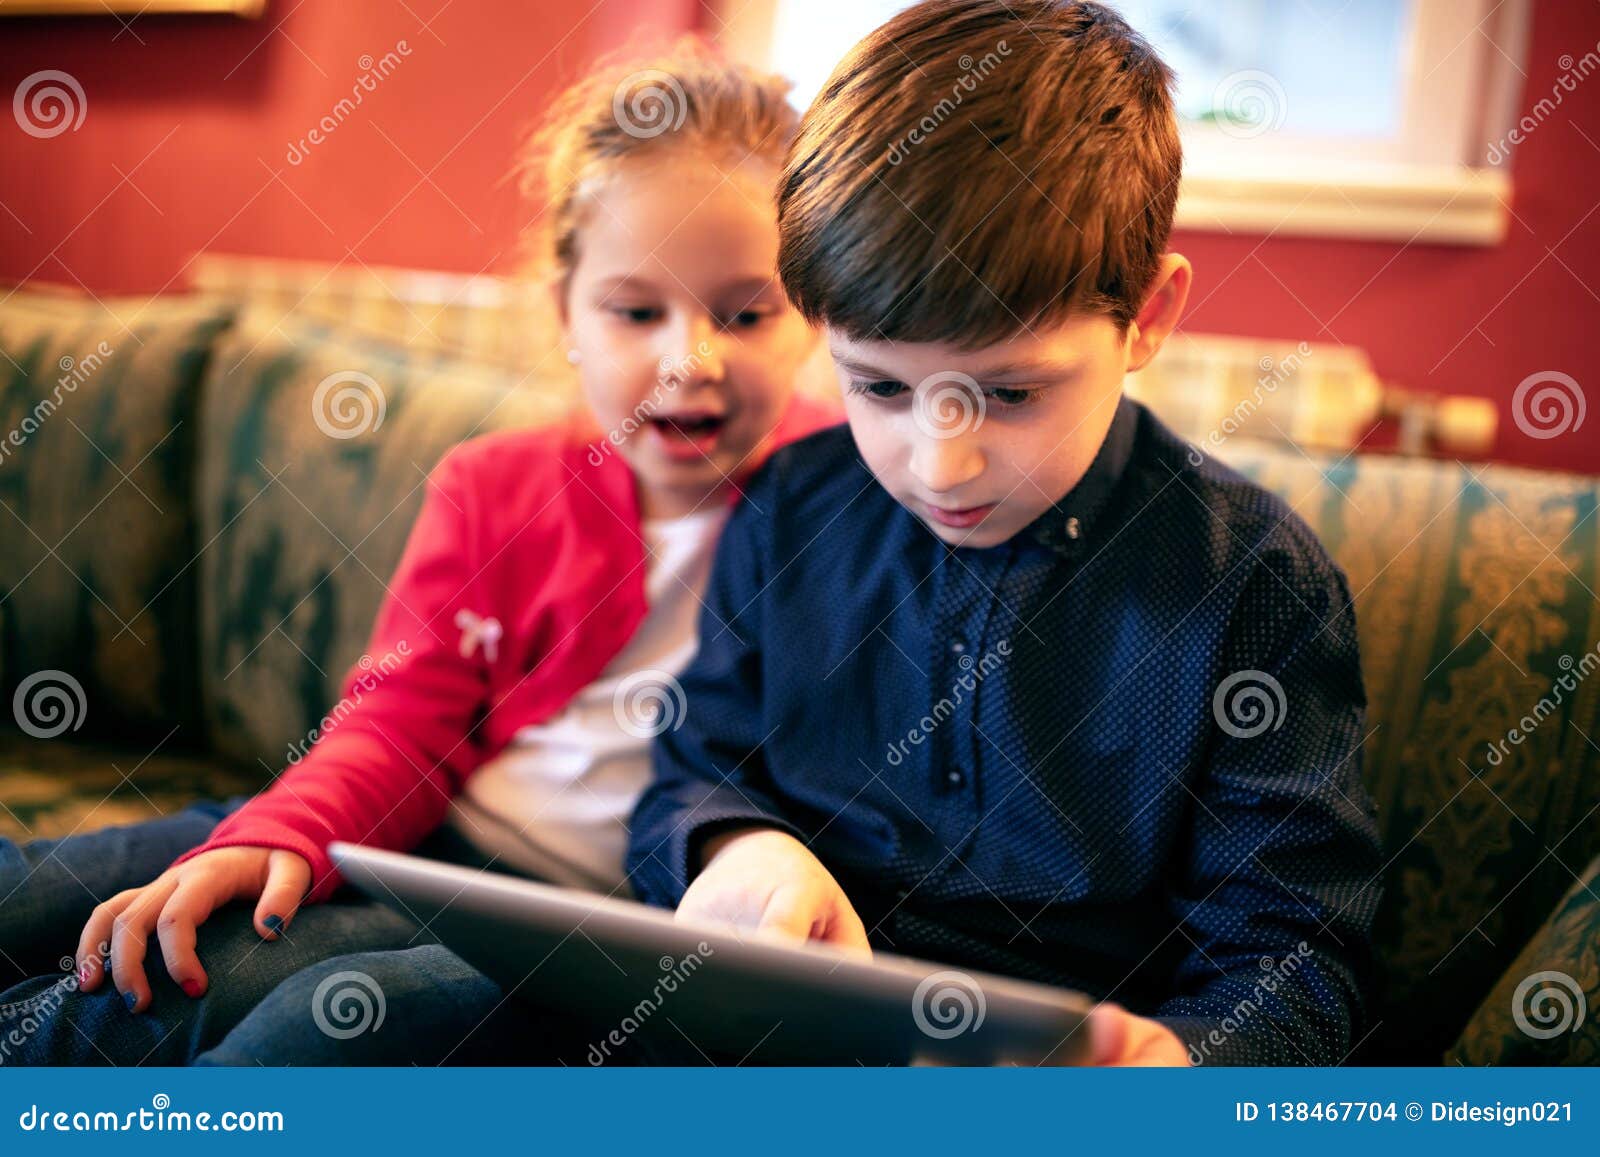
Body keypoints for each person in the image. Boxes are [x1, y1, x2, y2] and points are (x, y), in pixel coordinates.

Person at [0, 42, 834, 1065]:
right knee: (42, 890)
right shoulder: (497, 484)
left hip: (569, 929)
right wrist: (285, 828)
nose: (688, 358)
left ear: (814, 318)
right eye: (636, 310)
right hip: (403, 833)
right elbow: (400, 714)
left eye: (746, 313)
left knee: (181, 987)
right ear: (565, 312)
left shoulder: (848, 507)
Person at [624, 0, 1384, 1067]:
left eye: (1011, 393)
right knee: (331, 1028)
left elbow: (1298, 946)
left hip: (1033, 1079)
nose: (939, 464)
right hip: (763, 1028)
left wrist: (1191, 1063)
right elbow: (692, 763)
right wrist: (736, 845)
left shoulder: (1253, 584)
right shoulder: (787, 505)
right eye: (878, 385)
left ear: (1147, 321)